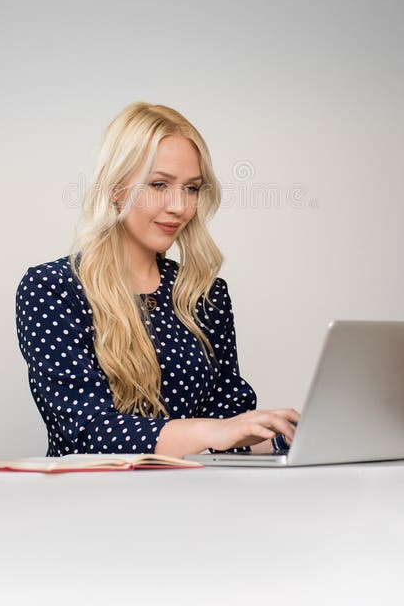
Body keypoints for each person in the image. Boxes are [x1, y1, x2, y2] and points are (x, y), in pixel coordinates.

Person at [16, 101, 299, 458]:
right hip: (92, 502)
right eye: (159, 184)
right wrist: (213, 431)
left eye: (192, 188)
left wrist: (282, 437)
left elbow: (227, 425)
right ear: (117, 188)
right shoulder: (53, 288)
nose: (179, 206)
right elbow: (87, 432)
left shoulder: (204, 293)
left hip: (200, 502)